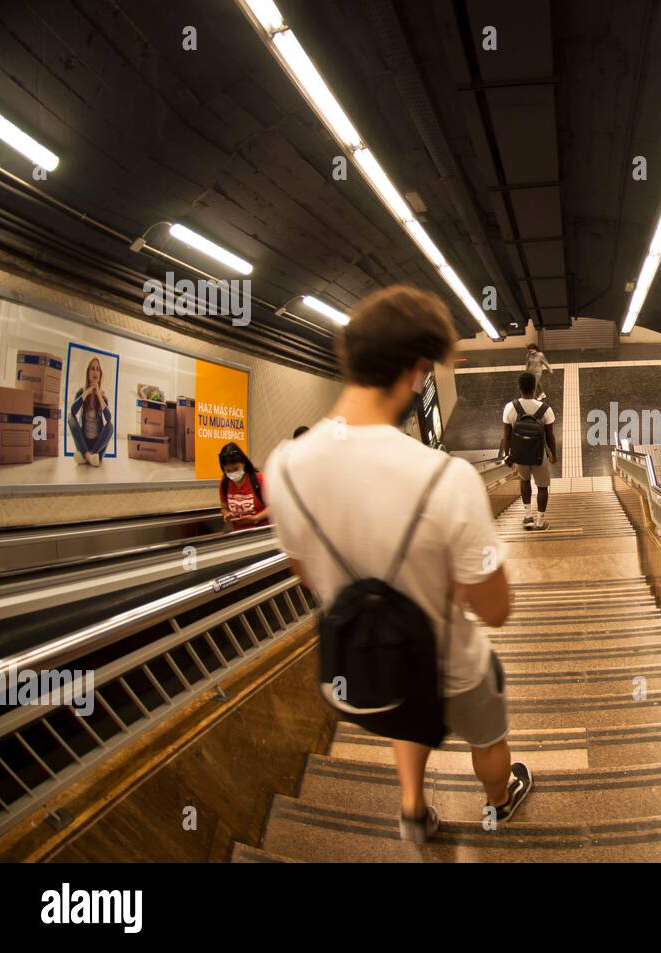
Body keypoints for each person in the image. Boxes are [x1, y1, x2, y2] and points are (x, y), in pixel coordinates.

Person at [265, 285, 530, 843]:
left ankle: (412, 807)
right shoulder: (445, 478)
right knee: (488, 736)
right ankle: (499, 800)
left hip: (372, 661)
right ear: (416, 371)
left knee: (407, 710)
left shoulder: (285, 467)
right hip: (452, 661)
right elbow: (497, 609)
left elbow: (307, 572)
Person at [501, 372, 557, 531]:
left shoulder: (510, 408)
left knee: (524, 481)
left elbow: (506, 435)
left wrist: (507, 455)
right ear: (534, 388)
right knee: (542, 487)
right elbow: (550, 436)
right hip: (540, 456)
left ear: (520, 388)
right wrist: (554, 455)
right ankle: (540, 522)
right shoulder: (546, 409)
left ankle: (527, 517)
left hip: (520, 455)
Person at [67, 357, 112, 467]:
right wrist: (87, 392)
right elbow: (73, 411)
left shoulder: (103, 397)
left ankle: (87, 457)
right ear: (88, 372)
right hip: (84, 442)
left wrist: (99, 394)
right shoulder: (81, 392)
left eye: (98, 369)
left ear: (100, 374)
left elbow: (108, 418)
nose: (95, 372)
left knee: (110, 426)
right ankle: (88, 456)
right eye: (92, 368)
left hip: (98, 444)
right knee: (70, 417)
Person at [218, 442, 269, 529]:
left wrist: (255, 518)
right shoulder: (224, 483)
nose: (233, 473)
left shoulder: (258, 479)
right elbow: (224, 508)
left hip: (261, 532)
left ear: (243, 463)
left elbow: (273, 507)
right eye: (228, 470)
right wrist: (227, 514)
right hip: (239, 534)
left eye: (236, 468)